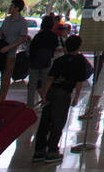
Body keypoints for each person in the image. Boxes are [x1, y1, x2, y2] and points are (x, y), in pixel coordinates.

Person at [33, 35, 93, 164]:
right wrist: (76, 97)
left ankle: (39, 150)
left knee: (45, 121)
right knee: (58, 122)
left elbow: (50, 79)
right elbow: (79, 81)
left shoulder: (59, 61)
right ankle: (52, 151)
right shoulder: (80, 62)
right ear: (79, 47)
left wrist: (44, 94)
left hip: (52, 92)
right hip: (64, 94)